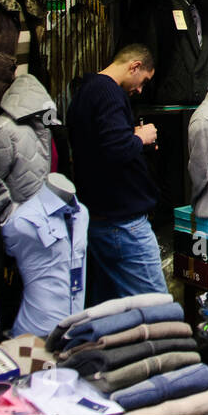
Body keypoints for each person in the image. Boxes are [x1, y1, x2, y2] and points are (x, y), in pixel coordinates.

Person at [66, 44, 166, 302]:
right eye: (143, 80)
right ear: (134, 66)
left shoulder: (85, 91)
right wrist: (141, 137)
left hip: (98, 217)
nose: (140, 90)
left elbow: (99, 145)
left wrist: (129, 135)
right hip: (122, 222)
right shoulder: (108, 93)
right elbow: (115, 149)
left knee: (108, 308)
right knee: (157, 308)